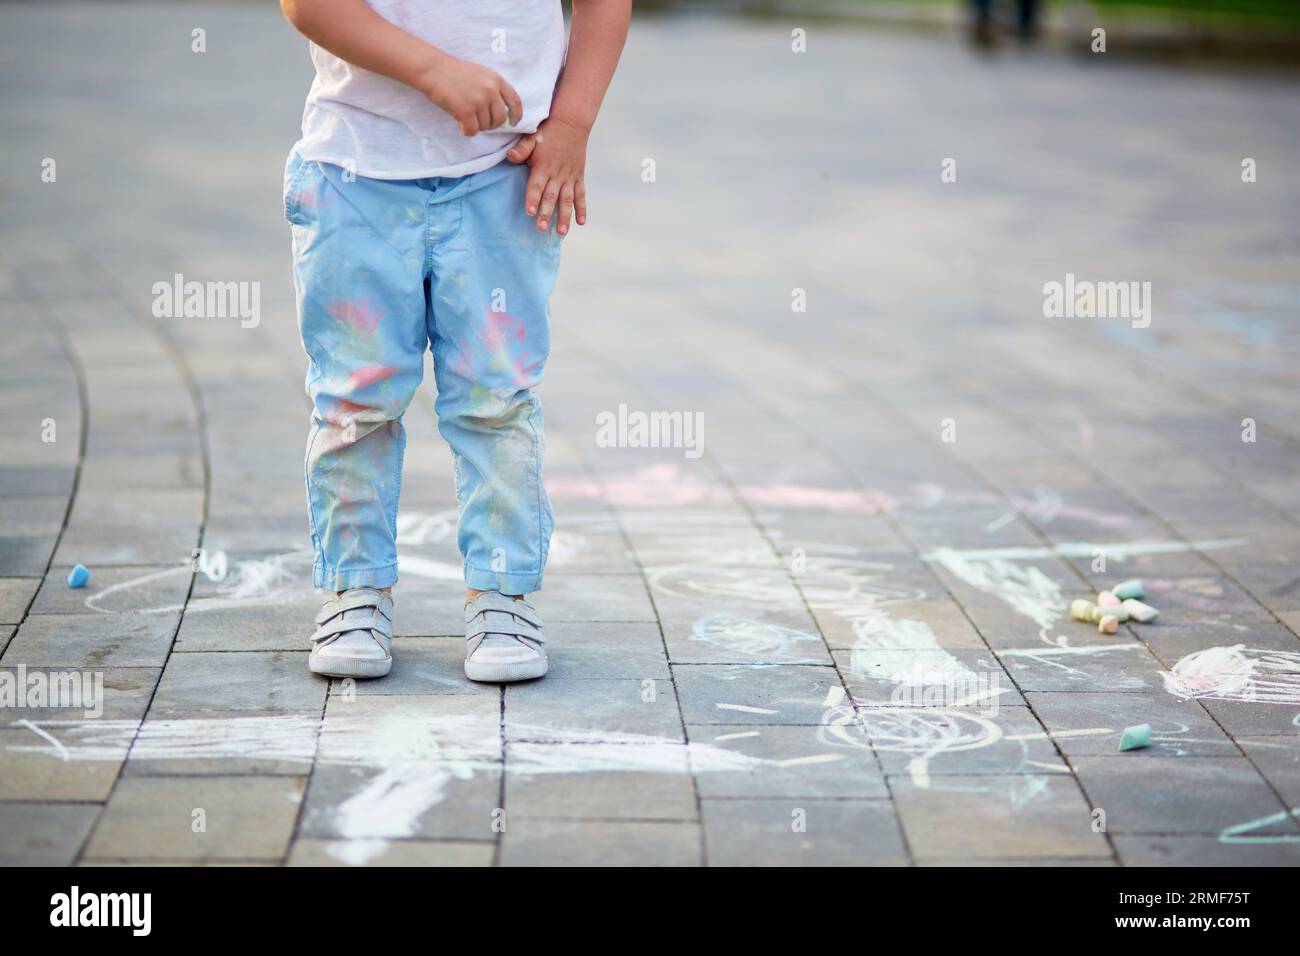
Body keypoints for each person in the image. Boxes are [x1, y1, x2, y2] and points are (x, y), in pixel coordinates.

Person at [279, 0, 631, 682]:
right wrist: (433, 71)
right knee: (356, 402)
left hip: (505, 174)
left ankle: (502, 594)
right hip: (355, 171)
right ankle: (354, 590)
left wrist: (573, 124)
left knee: (495, 400)